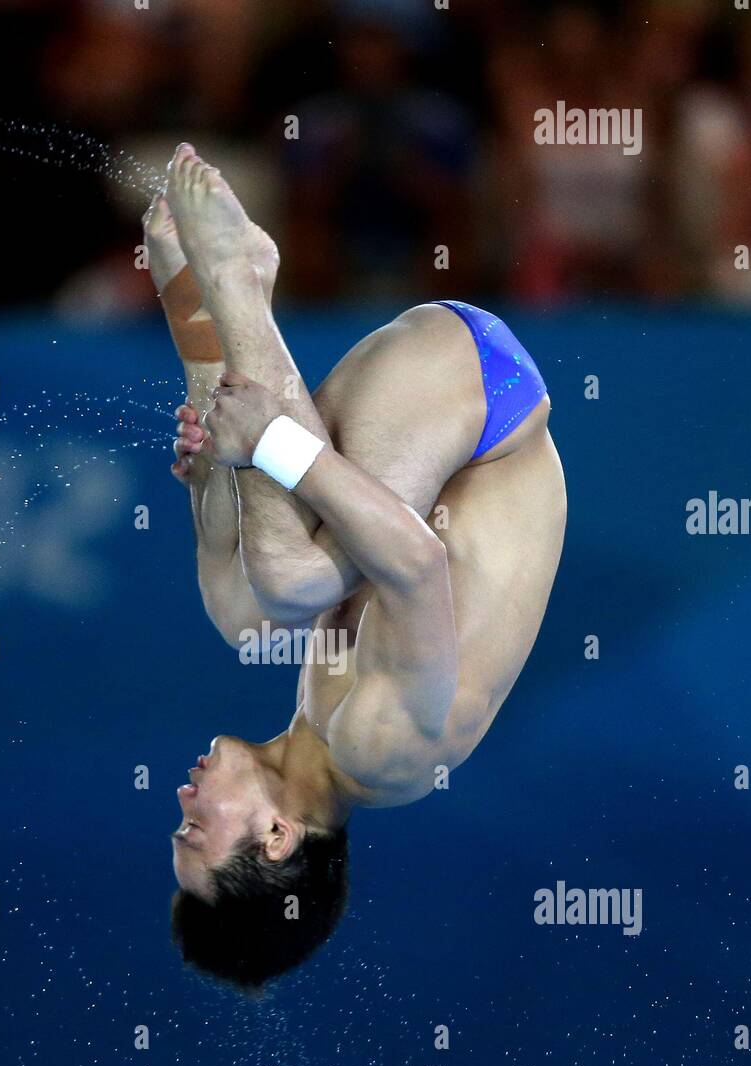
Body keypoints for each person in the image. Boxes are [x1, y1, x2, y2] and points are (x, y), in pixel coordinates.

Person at [145, 145, 566, 988]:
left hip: (425, 410)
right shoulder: (382, 756)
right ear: (275, 839)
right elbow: (414, 562)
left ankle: (202, 327)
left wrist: (212, 470)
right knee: (290, 581)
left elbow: (306, 537)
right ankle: (235, 288)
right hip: (485, 406)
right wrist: (266, 442)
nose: (181, 803)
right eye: (196, 831)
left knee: (241, 610)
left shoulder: (319, 729)